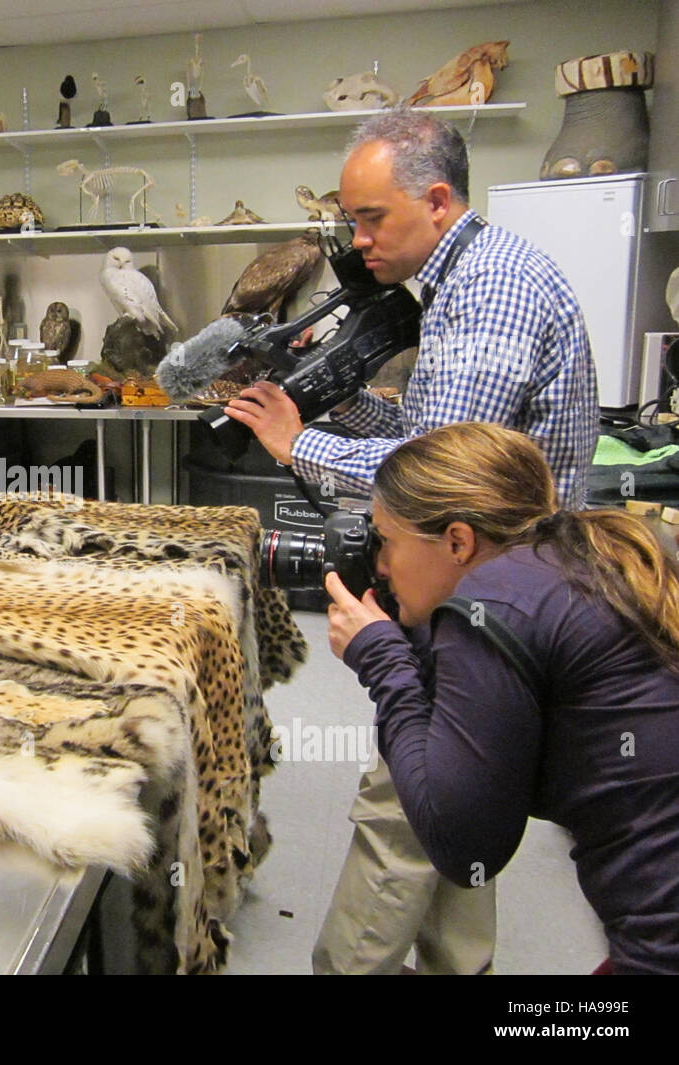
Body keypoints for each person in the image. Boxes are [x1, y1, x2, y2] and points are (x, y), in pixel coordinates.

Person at [224, 106, 599, 974]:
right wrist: (316, 401)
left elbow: (440, 469)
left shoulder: (491, 287)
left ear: (436, 201)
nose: (356, 243)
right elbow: (427, 426)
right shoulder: (472, 280)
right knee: (466, 800)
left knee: (400, 810)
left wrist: (295, 444)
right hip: (495, 591)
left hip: (486, 597)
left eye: (370, 218)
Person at [325, 422, 679, 975]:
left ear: (458, 541)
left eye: (386, 541)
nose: (380, 566)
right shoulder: (583, 560)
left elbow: (466, 848)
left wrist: (382, 661)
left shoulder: (493, 603)